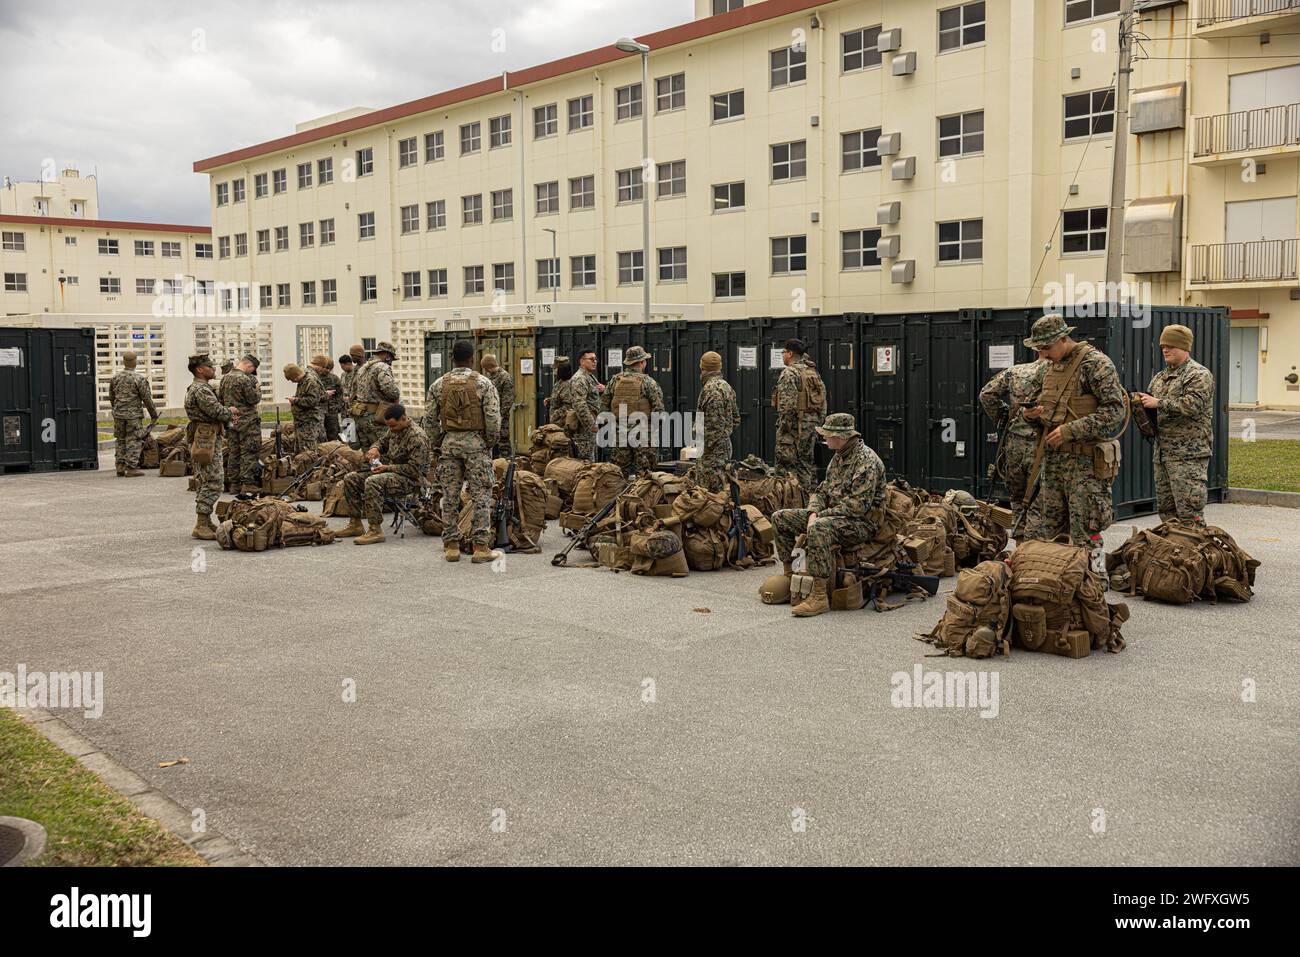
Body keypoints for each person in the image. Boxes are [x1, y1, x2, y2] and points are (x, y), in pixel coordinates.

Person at [1020, 314, 1126, 582]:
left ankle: (1096, 587)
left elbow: (1114, 412)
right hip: (1054, 465)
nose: (1043, 354)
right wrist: (1032, 417)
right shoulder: (1049, 368)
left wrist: (1070, 431)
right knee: (1051, 534)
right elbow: (1048, 413)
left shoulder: (1096, 364)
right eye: (1039, 349)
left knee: (1088, 534)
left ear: (1064, 339)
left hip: (1085, 468)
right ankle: (1059, 590)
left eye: (1046, 348)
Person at [770, 413, 885, 618]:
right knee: (780, 518)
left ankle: (819, 596)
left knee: (819, 528)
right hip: (834, 516)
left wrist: (819, 516)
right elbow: (822, 491)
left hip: (862, 523)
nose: (824, 439)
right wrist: (814, 511)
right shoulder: (839, 457)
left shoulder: (866, 461)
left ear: (840, 437)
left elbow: (857, 507)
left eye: (827, 435)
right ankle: (791, 574)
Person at [423, 339, 502, 564]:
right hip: (476, 446)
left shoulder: (438, 384)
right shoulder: (484, 383)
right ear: (472, 359)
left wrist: (439, 441)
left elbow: (429, 419)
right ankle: (480, 547)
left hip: (449, 445)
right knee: (481, 496)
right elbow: (493, 419)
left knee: (449, 496)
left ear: (452, 359)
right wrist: (488, 442)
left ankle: (451, 546)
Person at [1134, 324, 1214, 527]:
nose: (1166, 350)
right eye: (1163, 346)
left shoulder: (1198, 375)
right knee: (1167, 512)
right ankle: (1175, 554)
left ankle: (1197, 555)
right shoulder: (1160, 378)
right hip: (1163, 454)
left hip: (1188, 457)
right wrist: (1138, 405)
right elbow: (1151, 409)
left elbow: (1193, 405)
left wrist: (1158, 403)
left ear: (1185, 348)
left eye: (1171, 346)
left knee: (1189, 513)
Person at [336, 403, 430, 545]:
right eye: (389, 426)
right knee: (351, 479)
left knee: (373, 481)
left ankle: (375, 530)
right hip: (394, 474)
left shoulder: (417, 437)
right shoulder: (394, 430)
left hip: (411, 480)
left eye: (393, 426)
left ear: (404, 418)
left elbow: (415, 470)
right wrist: (375, 448)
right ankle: (355, 524)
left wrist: (387, 468)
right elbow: (382, 442)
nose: (391, 430)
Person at [979, 356, 1047, 531]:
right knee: (1042, 504)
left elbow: (986, 395)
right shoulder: (1059, 373)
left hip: (1014, 446)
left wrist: (1005, 417)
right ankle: (1040, 553)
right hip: (1043, 446)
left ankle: (1020, 549)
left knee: (1017, 501)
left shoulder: (1015, 371)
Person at [185, 354, 237, 540]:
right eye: (210, 366)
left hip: (206, 435)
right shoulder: (201, 390)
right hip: (205, 437)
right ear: (200, 369)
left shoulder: (201, 388)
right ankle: (201, 523)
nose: (213, 369)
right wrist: (229, 412)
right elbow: (216, 411)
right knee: (213, 479)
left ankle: (205, 521)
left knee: (206, 478)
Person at [772, 338, 826, 492]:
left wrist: (784, 429)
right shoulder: (812, 372)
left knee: (785, 467)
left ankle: (788, 502)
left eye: (783, 352)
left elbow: (787, 406)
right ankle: (807, 499)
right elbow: (822, 401)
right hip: (811, 427)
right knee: (806, 465)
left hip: (794, 428)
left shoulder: (789, 373)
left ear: (789, 354)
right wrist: (816, 424)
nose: (782, 355)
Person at [602, 345, 664, 475]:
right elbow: (658, 410)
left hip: (620, 434)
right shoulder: (648, 382)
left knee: (619, 474)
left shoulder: (615, 380)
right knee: (645, 475)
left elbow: (603, 406)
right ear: (642, 362)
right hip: (642, 434)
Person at [695, 351, 740, 493]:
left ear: (703, 369)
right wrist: (726, 433)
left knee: (710, 493)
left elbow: (714, 427)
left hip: (712, 451)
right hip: (723, 447)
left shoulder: (710, 390)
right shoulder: (726, 387)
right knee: (721, 487)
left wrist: (704, 447)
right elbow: (736, 418)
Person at [107, 350, 157, 477]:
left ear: (124, 362)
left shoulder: (115, 378)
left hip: (118, 414)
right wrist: (153, 414)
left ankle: (120, 466)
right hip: (133, 416)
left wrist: (116, 410)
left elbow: (112, 397)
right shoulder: (139, 379)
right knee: (134, 439)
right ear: (135, 362)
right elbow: (147, 399)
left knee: (120, 439)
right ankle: (131, 467)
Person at [218, 354, 261, 494]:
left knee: (234, 452)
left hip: (232, 421)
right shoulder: (244, 379)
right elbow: (253, 399)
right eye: (252, 369)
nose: (251, 372)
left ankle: (234, 484)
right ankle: (248, 484)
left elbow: (220, 400)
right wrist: (257, 389)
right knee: (249, 452)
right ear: (249, 365)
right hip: (247, 422)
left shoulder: (225, 378)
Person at [352, 341, 401, 453]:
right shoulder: (382, 367)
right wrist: (397, 396)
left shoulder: (363, 368)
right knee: (382, 452)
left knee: (367, 453)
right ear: (388, 355)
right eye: (392, 359)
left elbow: (355, 389)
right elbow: (390, 389)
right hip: (376, 418)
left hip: (360, 415)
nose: (391, 362)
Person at [480, 353, 516, 459]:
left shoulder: (505, 377)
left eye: (485, 368)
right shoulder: (489, 377)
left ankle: (506, 465)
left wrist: (499, 415)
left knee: (503, 442)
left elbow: (508, 400)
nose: (485, 371)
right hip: (490, 416)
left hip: (501, 417)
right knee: (492, 443)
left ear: (489, 366)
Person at [569, 348, 602, 462]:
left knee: (591, 457)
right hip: (583, 429)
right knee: (585, 461)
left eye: (595, 359)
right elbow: (580, 405)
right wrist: (591, 424)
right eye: (591, 359)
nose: (595, 361)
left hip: (590, 426)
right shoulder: (580, 379)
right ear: (582, 361)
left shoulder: (589, 376)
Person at [285, 362, 326, 448]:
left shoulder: (310, 382)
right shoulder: (302, 381)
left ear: (295, 376)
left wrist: (295, 400)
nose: (292, 382)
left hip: (309, 423)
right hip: (302, 422)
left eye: (291, 379)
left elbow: (313, 401)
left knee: (308, 450)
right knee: (301, 449)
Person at [316, 355, 344, 442]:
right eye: (326, 368)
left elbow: (340, 393)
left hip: (332, 411)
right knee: (320, 435)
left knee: (333, 433)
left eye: (330, 368)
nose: (327, 370)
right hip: (319, 411)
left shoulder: (334, 379)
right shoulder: (315, 378)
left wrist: (337, 406)